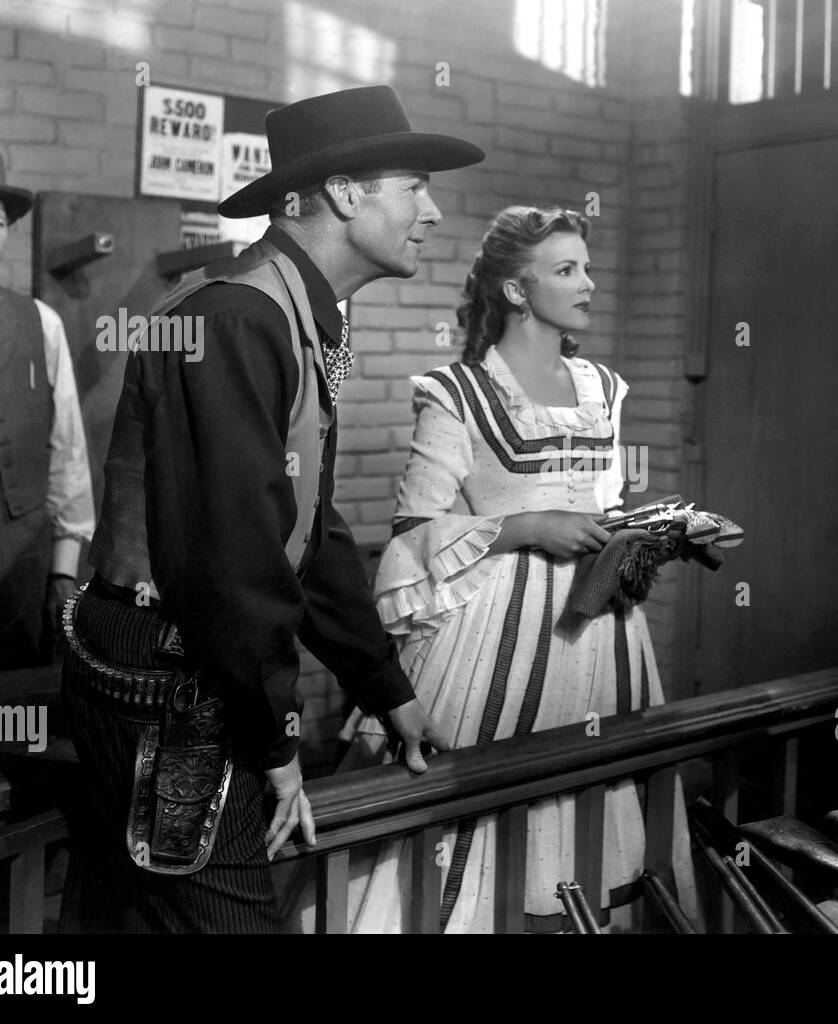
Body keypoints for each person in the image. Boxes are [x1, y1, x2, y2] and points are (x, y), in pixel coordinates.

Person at [58, 86, 478, 932]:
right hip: (171, 669)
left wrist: (382, 682)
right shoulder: (236, 315)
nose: (431, 212)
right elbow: (233, 562)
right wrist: (277, 741)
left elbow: (305, 531)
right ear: (346, 193)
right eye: (414, 186)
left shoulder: (293, 309)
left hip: (199, 657)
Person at [331, 205, 697, 933]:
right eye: (566, 270)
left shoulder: (603, 388)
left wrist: (650, 537)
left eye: (586, 266)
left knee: (596, 810)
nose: (588, 282)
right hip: (491, 641)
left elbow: (606, 505)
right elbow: (411, 533)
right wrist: (527, 526)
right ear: (517, 291)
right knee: (475, 827)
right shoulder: (455, 394)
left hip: (601, 635)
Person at [0, 140, 94, 677]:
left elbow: (68, 450)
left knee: (4, 690)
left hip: (14, 543)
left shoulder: (41, 323)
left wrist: (63, 568)